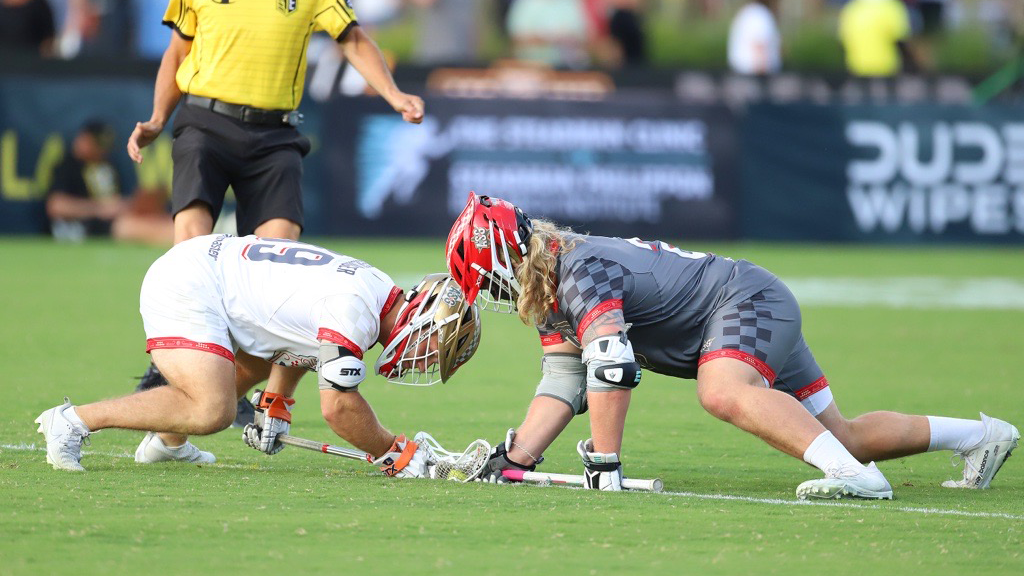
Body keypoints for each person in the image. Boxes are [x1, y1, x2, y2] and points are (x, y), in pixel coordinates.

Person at [444, 193, 1019, 498]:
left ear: (502, 260)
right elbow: (565, 381)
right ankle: (981, 437)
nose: (491, 294)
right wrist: (516, 459)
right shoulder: (551, 281)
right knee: (841, 437)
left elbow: (613, 367)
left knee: (721, 391)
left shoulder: (577, 270)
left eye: (486, 281)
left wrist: (605, 464)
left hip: (745, 303)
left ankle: (856, 478)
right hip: (744, 306)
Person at [124, 0, 426, 449]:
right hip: (205, 120)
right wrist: (157, 118)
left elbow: (353, 39)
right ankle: (170, 371)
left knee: (283, 265)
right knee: (190, 246)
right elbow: (178, 51)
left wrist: (394, 95)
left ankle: (266, 394)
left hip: (275, 134)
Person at [35, 234, 481, 472]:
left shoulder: (377, 291)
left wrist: (277, 400)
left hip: (207, 268)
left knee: (241, 373)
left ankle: (166, 445)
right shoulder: (355, 310)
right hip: (190, 282)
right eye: (435, 348)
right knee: (212, 410)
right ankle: (72, 421)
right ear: (425, 319)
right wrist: (394, 453)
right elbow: (340, 408)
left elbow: (296, 336)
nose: (427, 361)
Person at [838, 0, 918, 77]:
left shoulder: (852, 8)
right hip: (886, 67)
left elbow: (842, 40)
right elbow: (901, 39)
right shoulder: (891, 6)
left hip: (857, 68)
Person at [727, 0, 781, 75]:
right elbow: (759, 48)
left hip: (740, 74)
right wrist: (762, 77)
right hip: (754, 76)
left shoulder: (746, 12)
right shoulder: (760, 14)